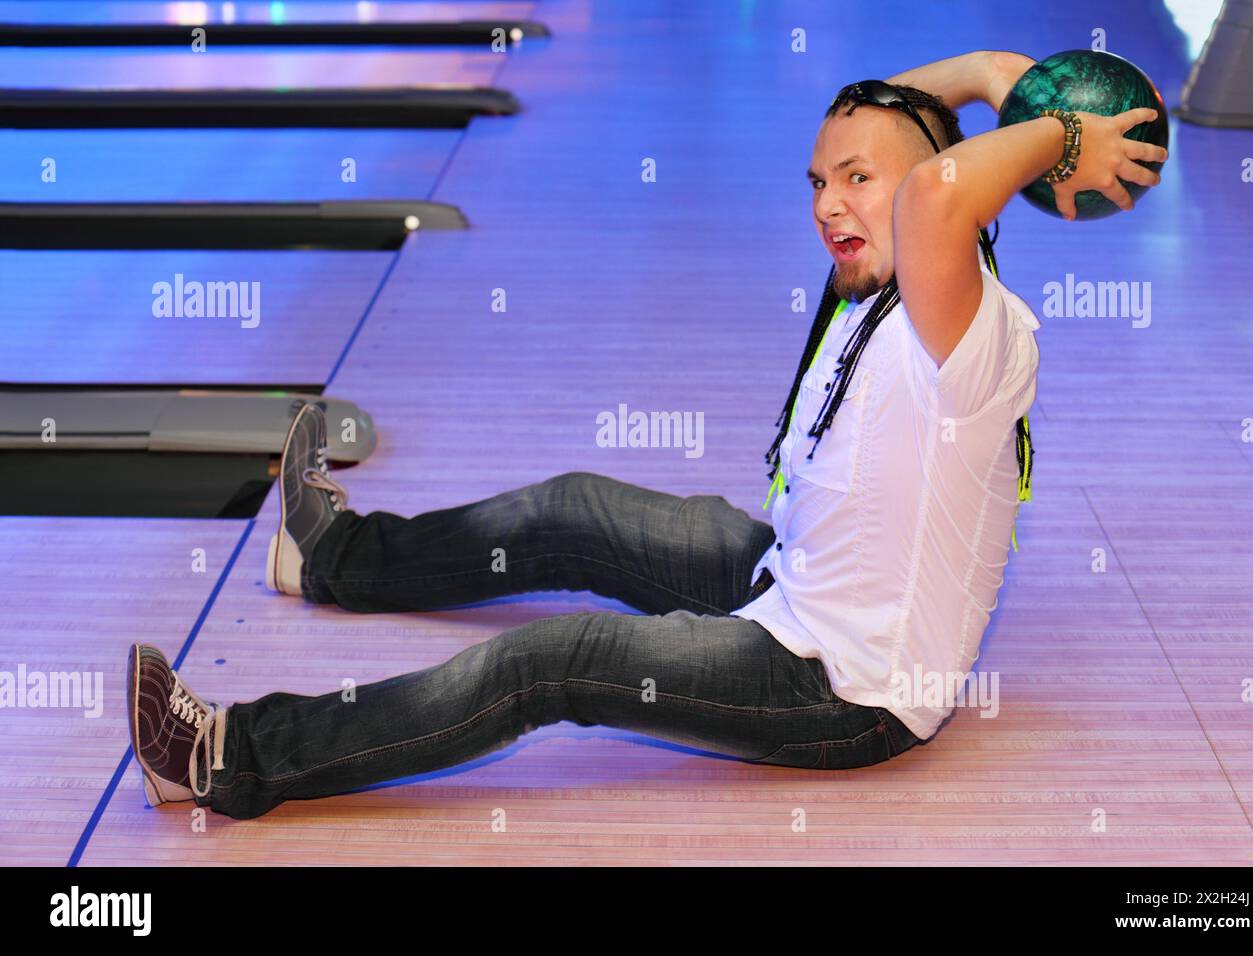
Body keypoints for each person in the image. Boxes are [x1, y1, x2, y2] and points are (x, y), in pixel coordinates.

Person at [127, 50, 1166, 819]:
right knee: (570, 508)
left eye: (855, 180)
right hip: (796, 580)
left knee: (555, 661)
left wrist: (1055, 134)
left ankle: (227, 754)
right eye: (818, 181)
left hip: (844, 686)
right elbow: (900, 134)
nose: (827, 205)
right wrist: (988, 73)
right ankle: (333, 556)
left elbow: (933, 184)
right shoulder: (886, 274)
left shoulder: (974, 328)